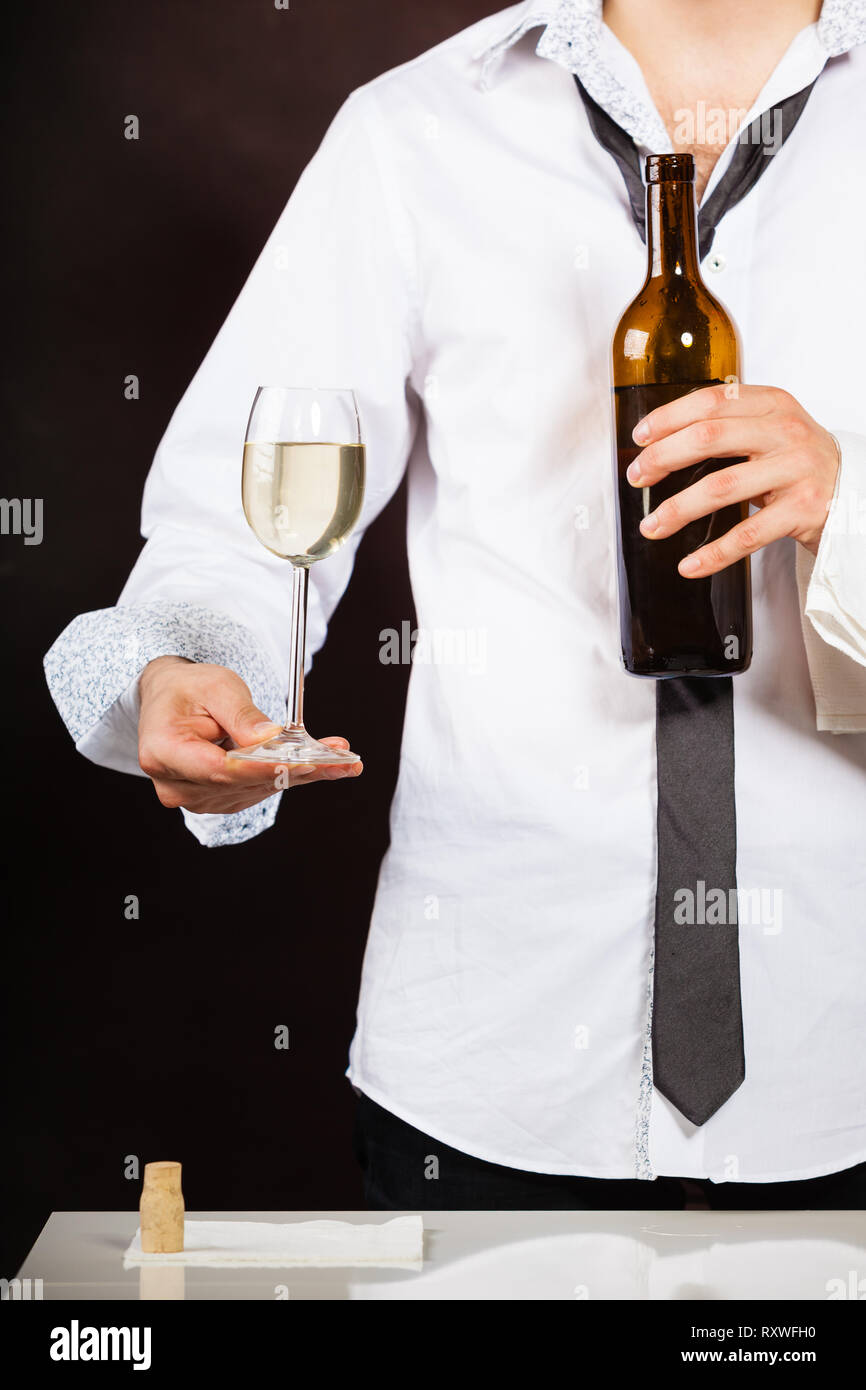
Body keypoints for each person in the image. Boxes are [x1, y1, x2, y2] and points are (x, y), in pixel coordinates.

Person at [45, 0, 866, 1209]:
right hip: (490, 1075)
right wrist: (188, 676)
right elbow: (246, 524)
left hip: (840, 1063)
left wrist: (844, 510)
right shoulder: (410, 134)